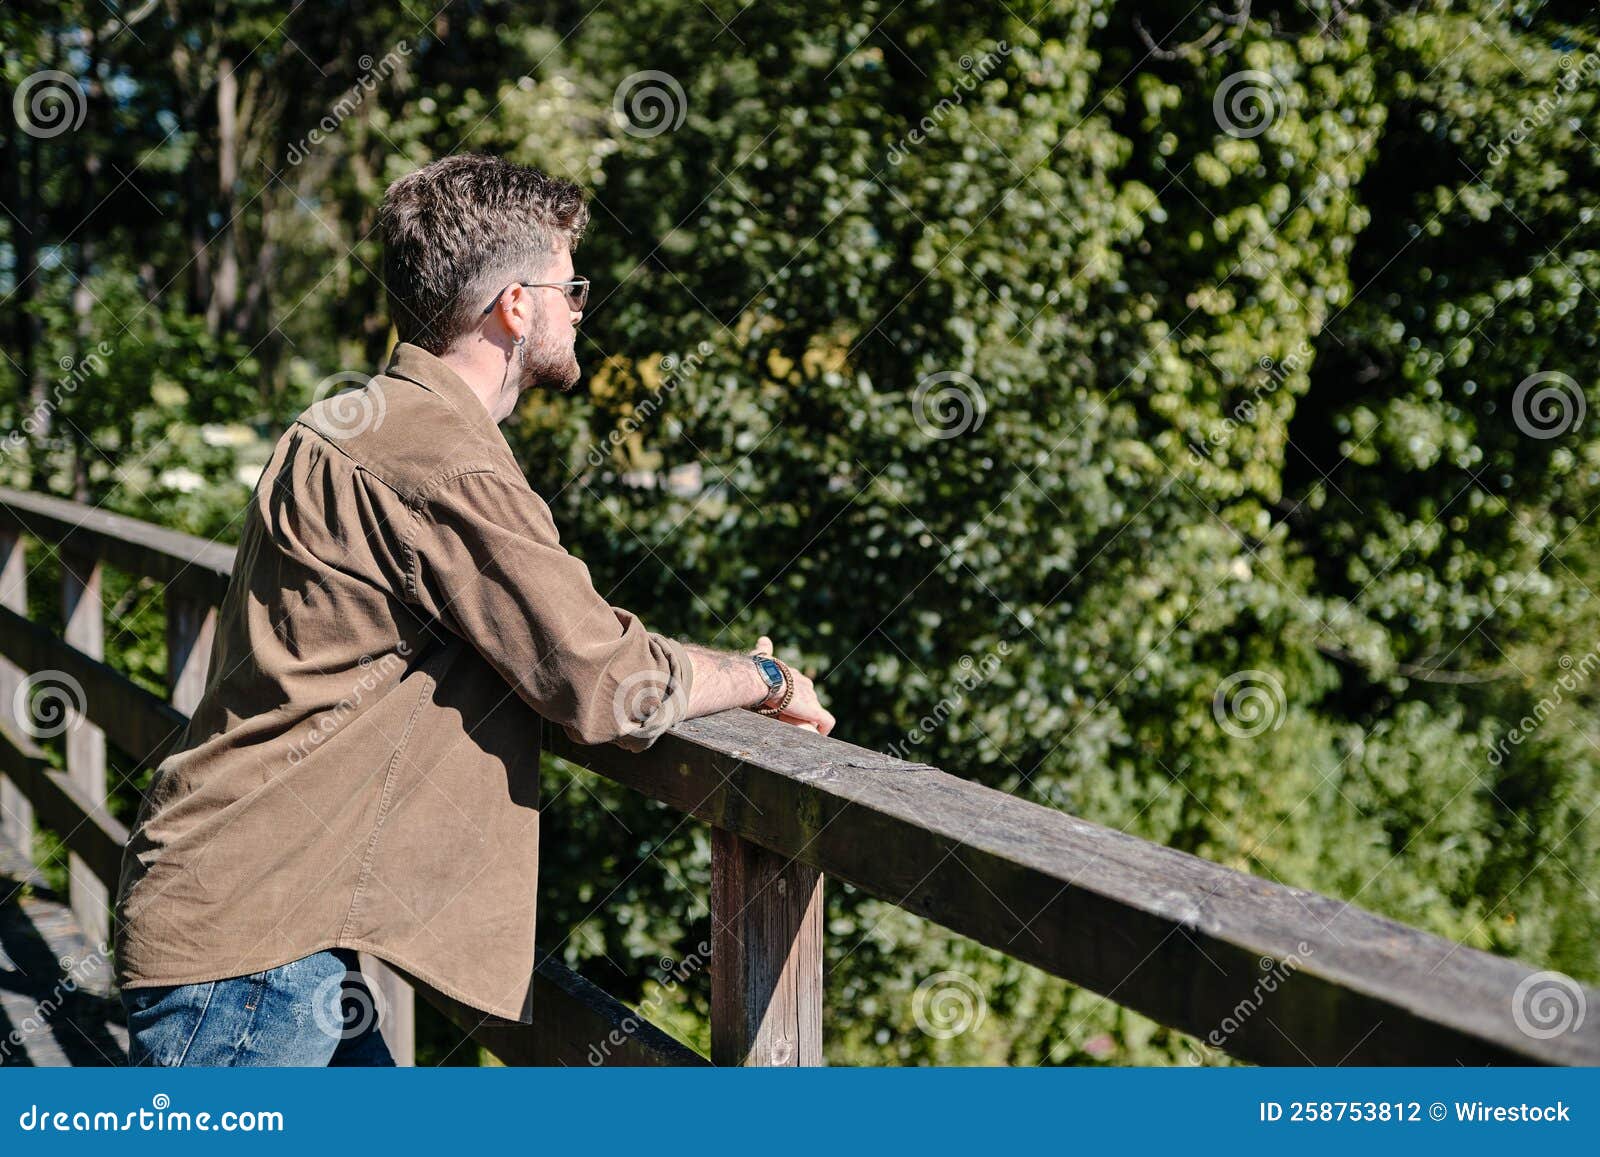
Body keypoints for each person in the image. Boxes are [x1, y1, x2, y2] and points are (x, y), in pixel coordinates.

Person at [114, 153, 834, 1066]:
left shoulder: (351, 417)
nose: (582, 306)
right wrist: (765, 680)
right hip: (256, 954)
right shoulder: (441, 456)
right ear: (514, 305)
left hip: (260, 919)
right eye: (571, 285)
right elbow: (602, 680)